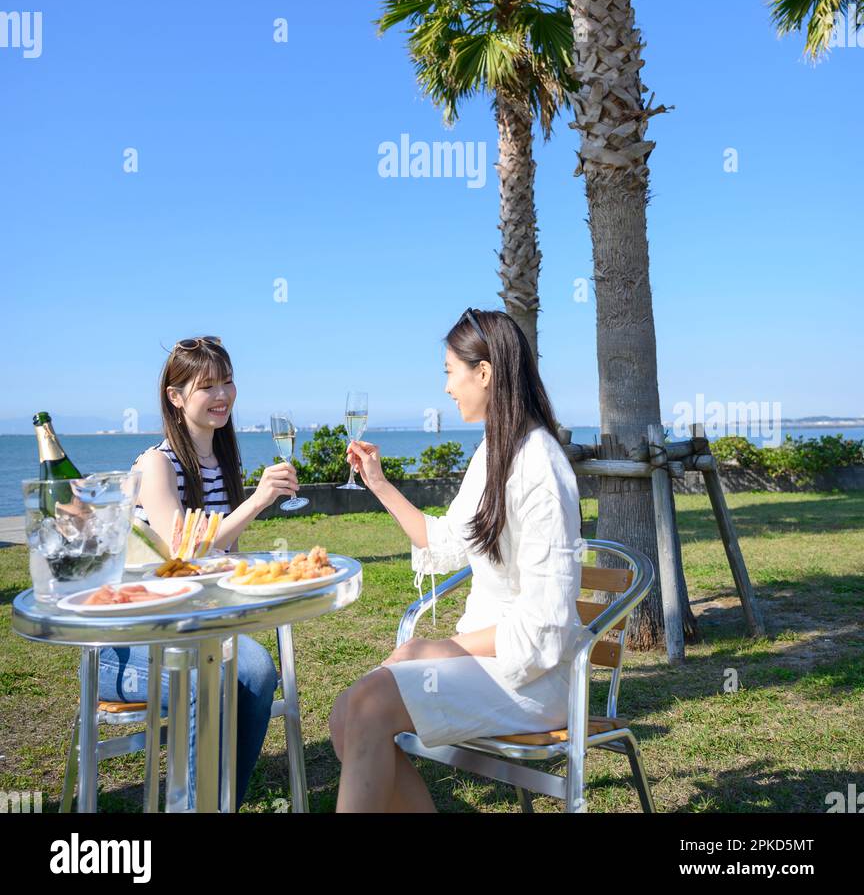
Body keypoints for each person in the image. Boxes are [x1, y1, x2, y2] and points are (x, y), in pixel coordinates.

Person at [328, 308, 587, 813]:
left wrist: (439, 648)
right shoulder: (495, 449)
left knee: (366, 706)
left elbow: (546, 629)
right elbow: (446, 541)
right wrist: (378, 482)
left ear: (483, 373)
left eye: (450, 372)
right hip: (487, 662)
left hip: (533, 679)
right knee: (346, 714)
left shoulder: (541, 468)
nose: (446, 387)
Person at [98, 336, 300, 807]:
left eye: (227, 382)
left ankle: (219, 803)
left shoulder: (223, 462)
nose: (222, 395)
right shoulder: (157, 464)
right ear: (175, 396)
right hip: (130, 645)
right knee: (211, 679)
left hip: (198, 630)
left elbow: (222, 560)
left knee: (258, 671)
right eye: (207, 386)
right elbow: (181, 552)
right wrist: (257, 501)